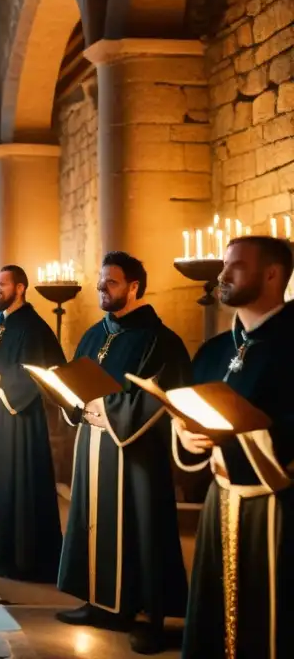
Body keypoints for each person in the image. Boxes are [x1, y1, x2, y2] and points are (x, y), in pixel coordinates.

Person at [56, 251, 190, 655]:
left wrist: (104, 410)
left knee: (144, 529)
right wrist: (71, 399)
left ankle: (151, 614)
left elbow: (161, 397)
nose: (101, 287)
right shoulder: (95, 333)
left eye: (111, 282)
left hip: (135, 454)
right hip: (93, 446)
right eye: (101, 280)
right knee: (92, 522)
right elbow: (75, 378)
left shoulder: (160, 340)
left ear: (134, 287)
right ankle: (101, 602)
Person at [175, 236, 294, 659]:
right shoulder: (213, 350)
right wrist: (187, 436)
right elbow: (189, 415)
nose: (222, 276)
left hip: (279, 508)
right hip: (220, 499)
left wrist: (252, 435)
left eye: (235, 267)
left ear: (272, 274)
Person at [0, 265, 64, 581]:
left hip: (18, 420)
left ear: (20, 288)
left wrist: (2, 386)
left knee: (14, 480)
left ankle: (15, 552)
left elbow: (41, 372)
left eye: (3, 285)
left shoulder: (34, 328)